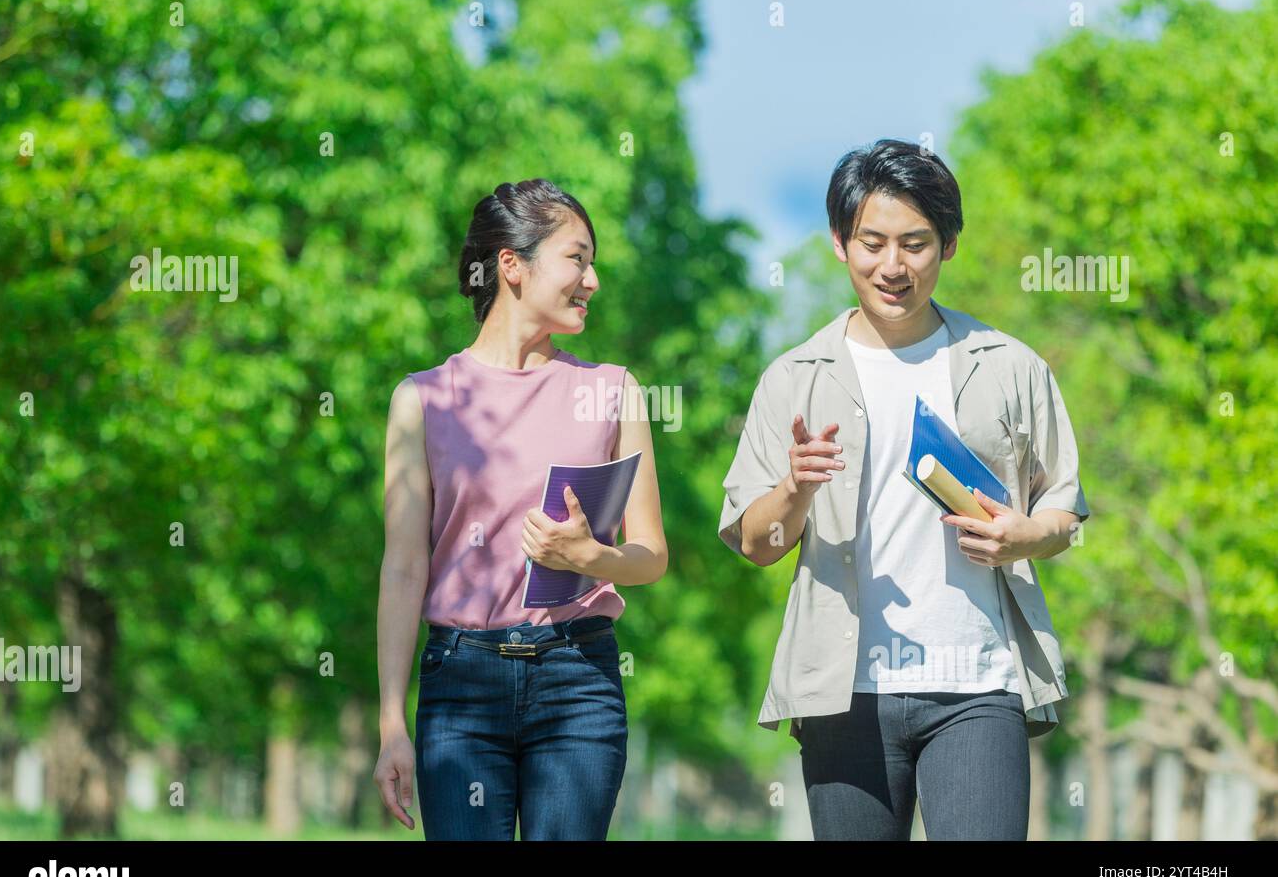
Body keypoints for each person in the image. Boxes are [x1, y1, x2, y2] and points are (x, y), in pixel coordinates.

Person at [717, 139, 1089, 840]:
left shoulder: (1011, 367)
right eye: (873, 243)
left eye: (915, 244)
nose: (893, 267)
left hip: (980, 683)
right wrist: (795, 486)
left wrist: (1024, 535)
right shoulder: (794, 377)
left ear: (948, 246)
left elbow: (1065, 513)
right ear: (839, 243)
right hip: (844, 691)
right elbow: (756, 543)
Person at [374, 178, 667, 840]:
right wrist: (392, 723)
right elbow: (402, 571)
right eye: (577, 258)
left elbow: (651, 555)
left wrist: (596, 558)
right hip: (459, 686)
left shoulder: (612, 391)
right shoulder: (422, 401)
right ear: (511, 264)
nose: (592, 279)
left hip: (578, 680)